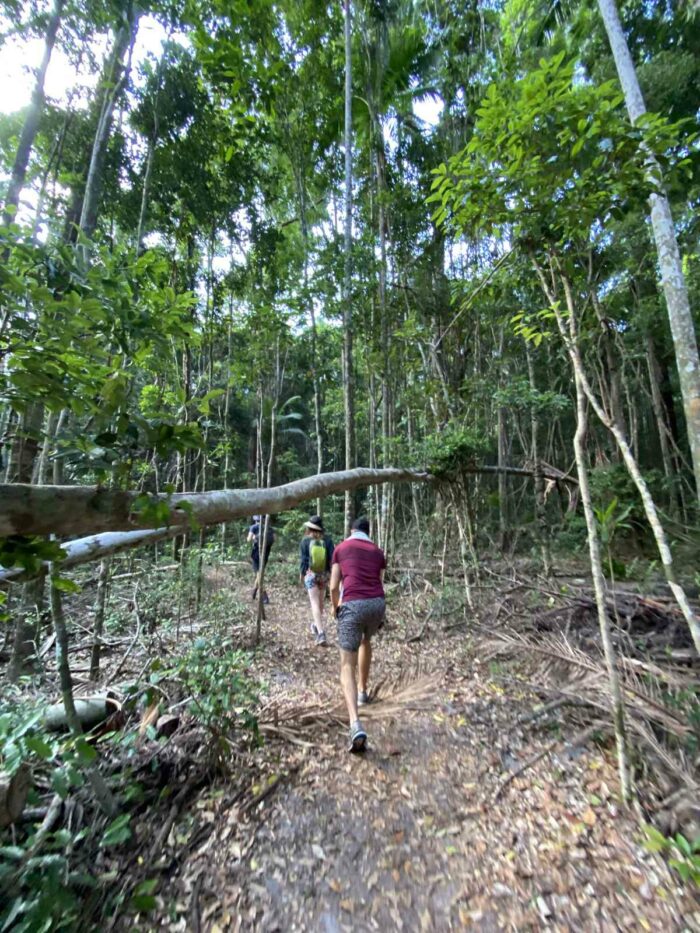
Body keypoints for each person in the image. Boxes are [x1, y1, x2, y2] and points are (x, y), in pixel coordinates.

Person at [330, 516, 386, 752]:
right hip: (377, 605)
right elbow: (380, 582)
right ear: (368, 532)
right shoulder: (378, 551)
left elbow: (334, 586)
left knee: (346, 664)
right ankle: (363, 692)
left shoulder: (341, 548)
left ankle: (355, 723)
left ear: (351, 530)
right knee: (365, 640)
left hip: (353, 604)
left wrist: (336, 609)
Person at [299, 515, 334, 646]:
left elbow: (303, 560)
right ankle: (316, 625)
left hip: (310, 574)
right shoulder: (328, 540)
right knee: (320, 603)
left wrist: (302, 574)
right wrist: (331, 574)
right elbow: (332, 558)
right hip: (324, 575)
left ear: (309, 528)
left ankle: (320, 633)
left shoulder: (305, 541)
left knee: (314, 603)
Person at [247, 515, 274, 604]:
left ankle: (264, 595)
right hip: (266, 553)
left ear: (256, 520)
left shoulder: (254, 527)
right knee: (260, 573)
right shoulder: (269, 528)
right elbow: (275, 539)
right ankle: (254, 592)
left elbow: (248, 539)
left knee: (259, 574)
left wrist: (255, 537)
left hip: (256, 554)